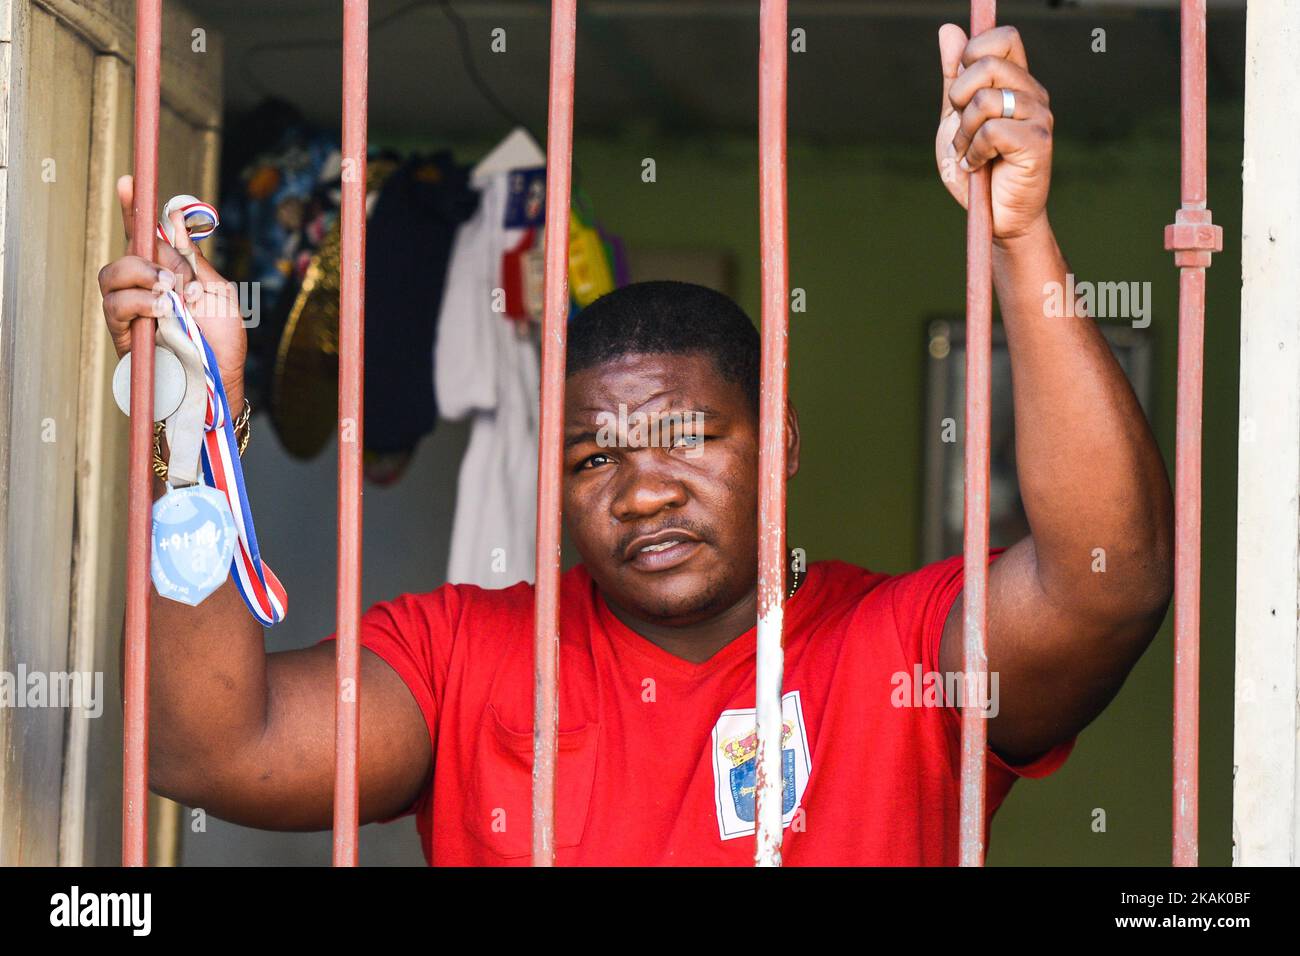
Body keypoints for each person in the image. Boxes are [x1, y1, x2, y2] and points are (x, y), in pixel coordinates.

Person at [96, 25, 1172, 865]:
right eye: (591, 458)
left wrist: (1019, 240)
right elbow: (208, 747)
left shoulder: (894, 652)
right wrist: (189, 429)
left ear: (779, 439)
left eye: (688, 437)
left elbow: (1108, 584)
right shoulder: (466, 656)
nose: (642, 491)